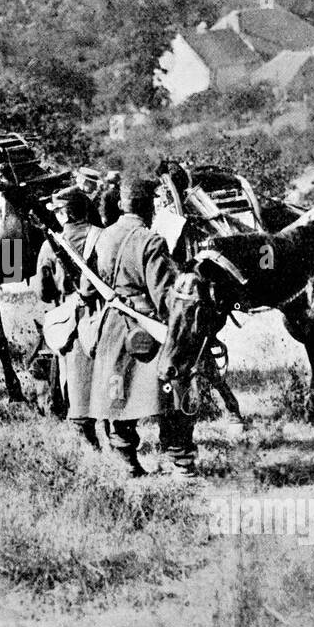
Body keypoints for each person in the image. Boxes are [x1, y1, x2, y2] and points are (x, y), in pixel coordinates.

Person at [85, 177, 198, 477]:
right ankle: (181, 462)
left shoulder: (102, 237)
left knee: (117, 395)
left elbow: (88, 287)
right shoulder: (152, 240)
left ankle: (126, 462)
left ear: (122, 204)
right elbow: (163, 297)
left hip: (112, 325)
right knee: (175, 392)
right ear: (149, 206)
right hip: (147, 328)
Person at [35, 187, 102, 448]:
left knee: (74, 381)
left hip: (71, 321)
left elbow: (44, 292)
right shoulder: (103, 237)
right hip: (104, 316)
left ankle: (86, 438)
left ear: (64, 214)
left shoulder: (49, 246)